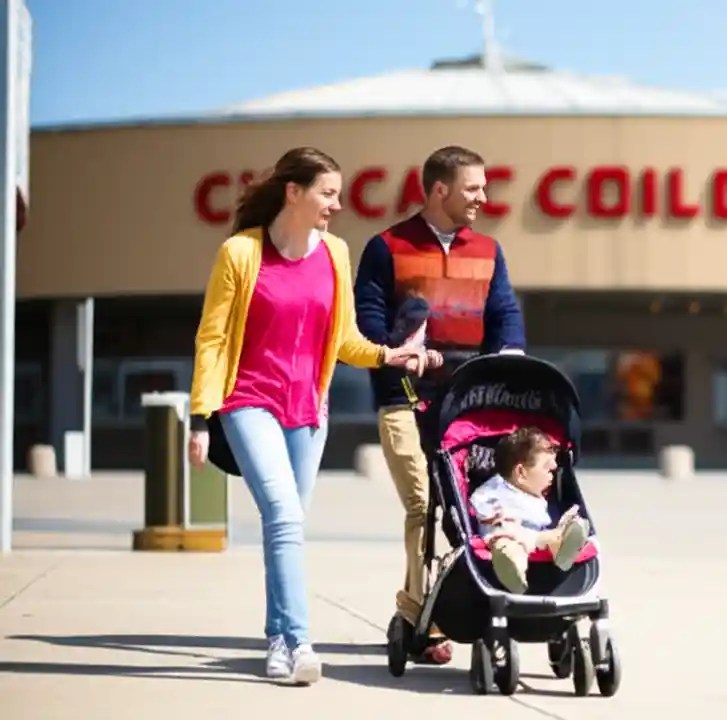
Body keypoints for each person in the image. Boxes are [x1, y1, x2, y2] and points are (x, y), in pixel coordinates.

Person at [187, 146, 435, 686]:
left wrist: (388, 355)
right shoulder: (240, 254)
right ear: (292, 193)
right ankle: (295, 643)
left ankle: (276, 633)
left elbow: (342, 337)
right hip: (248, 400)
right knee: (283, 515)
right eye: (327, 193)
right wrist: (200, 414)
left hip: (307, 410)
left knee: (289, 527)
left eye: (338, 194)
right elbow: (212, 337)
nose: (336, 204)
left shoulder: (336, 254)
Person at [353, 144, 526, 662]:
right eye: (473, 188)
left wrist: (511, 358)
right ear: (439, 190)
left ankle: (474, 603)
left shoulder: (488, 251)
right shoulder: (386, 247)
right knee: (423, 505)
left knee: (471, 510)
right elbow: (368, 321)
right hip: (403, 399)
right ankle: (417, 615)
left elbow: (504, 314)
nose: (483, 197)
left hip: (469, 405)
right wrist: (401, 354)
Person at [471, 426, 592, 594]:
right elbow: (484, 509)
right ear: (521, 472)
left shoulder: (536, 497)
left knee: (562, 529)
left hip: (537, 538)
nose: (553, 474)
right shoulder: (497, 490)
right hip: (508, 534)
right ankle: (512, 573)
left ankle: (564, 547)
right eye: (548, 469)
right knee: (507, 546)